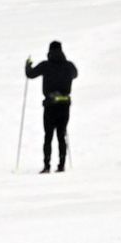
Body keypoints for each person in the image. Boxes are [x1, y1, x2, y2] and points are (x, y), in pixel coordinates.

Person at [25, 40, 79, 173]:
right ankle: (61, 165)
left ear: (50, 51)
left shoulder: (46, 65)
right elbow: (75, 74)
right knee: (62, 135)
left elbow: (30, 74)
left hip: (50, 105)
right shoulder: (69, 66)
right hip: (65, 105)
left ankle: (47, 166)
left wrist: (28, 65)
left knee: (48, 136)